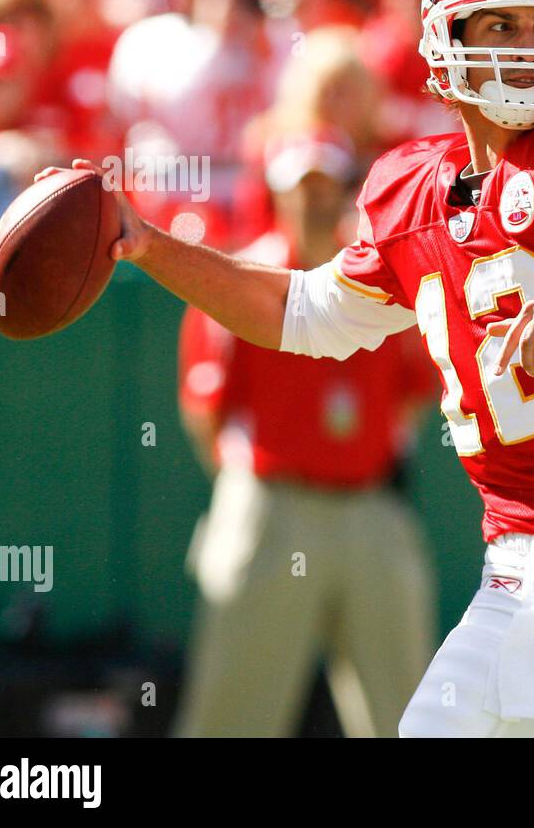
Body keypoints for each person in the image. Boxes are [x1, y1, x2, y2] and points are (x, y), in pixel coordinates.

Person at [40, 0, 534, 737]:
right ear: (445, 37)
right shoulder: (410, 186)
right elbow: (302, 315)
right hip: (532, 577)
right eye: (500, 24)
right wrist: (152, 246)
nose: (529, 46)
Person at [174, 134, 437, 737]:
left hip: (370, 505)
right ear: (277, 195)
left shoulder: (382, 282)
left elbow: (413, 389)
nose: (316, 201)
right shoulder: (242, 280)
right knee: (232, 716)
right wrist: (247, 489)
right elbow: (203, 409)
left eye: (327, 186)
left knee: (410, 716)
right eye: (303, 187)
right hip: (272, 503)